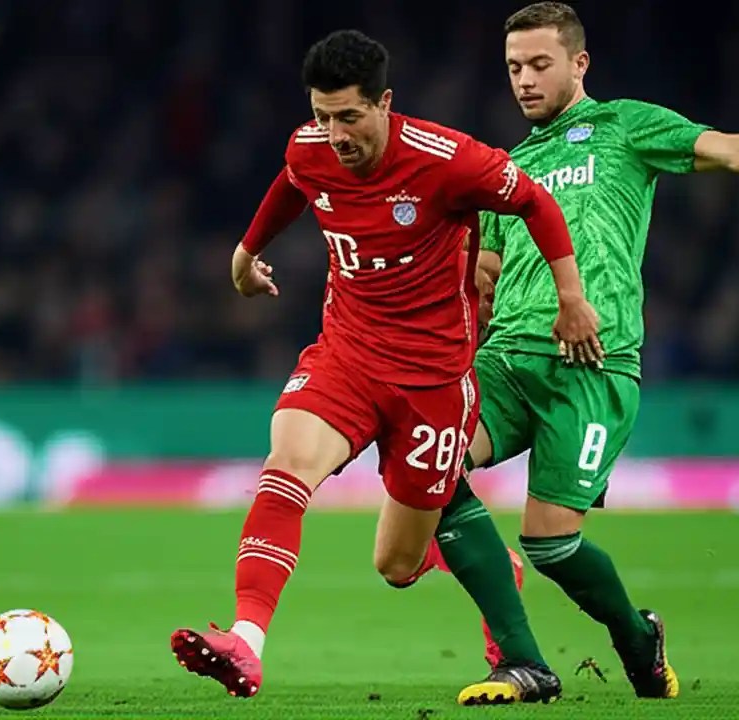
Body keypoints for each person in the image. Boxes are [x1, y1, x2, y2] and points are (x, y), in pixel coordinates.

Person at [446, 1, 739, 705]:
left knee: (550, 546)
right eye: (514, 68)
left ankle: (636, 637)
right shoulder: (510, 167)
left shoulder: (627, 124)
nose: (525, 81)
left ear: (579, 63)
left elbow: (730, 151)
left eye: (540, 64)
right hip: (506, 359)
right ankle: (520, 660)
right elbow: (487, 274)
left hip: (591, 369)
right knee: (431, 470)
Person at [169, 28, 602, 699]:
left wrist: (569, 297)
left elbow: (535, 203)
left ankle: (488, 567)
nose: (334, 134)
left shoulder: (449, 159)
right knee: (285, 466)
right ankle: (246, 641)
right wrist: (244, 252)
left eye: (348, 116)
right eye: (321, 115)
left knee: (397, 565)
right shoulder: (309, 148)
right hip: (347, 353)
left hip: (433, 382)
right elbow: (294, 182)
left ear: (384, 103)